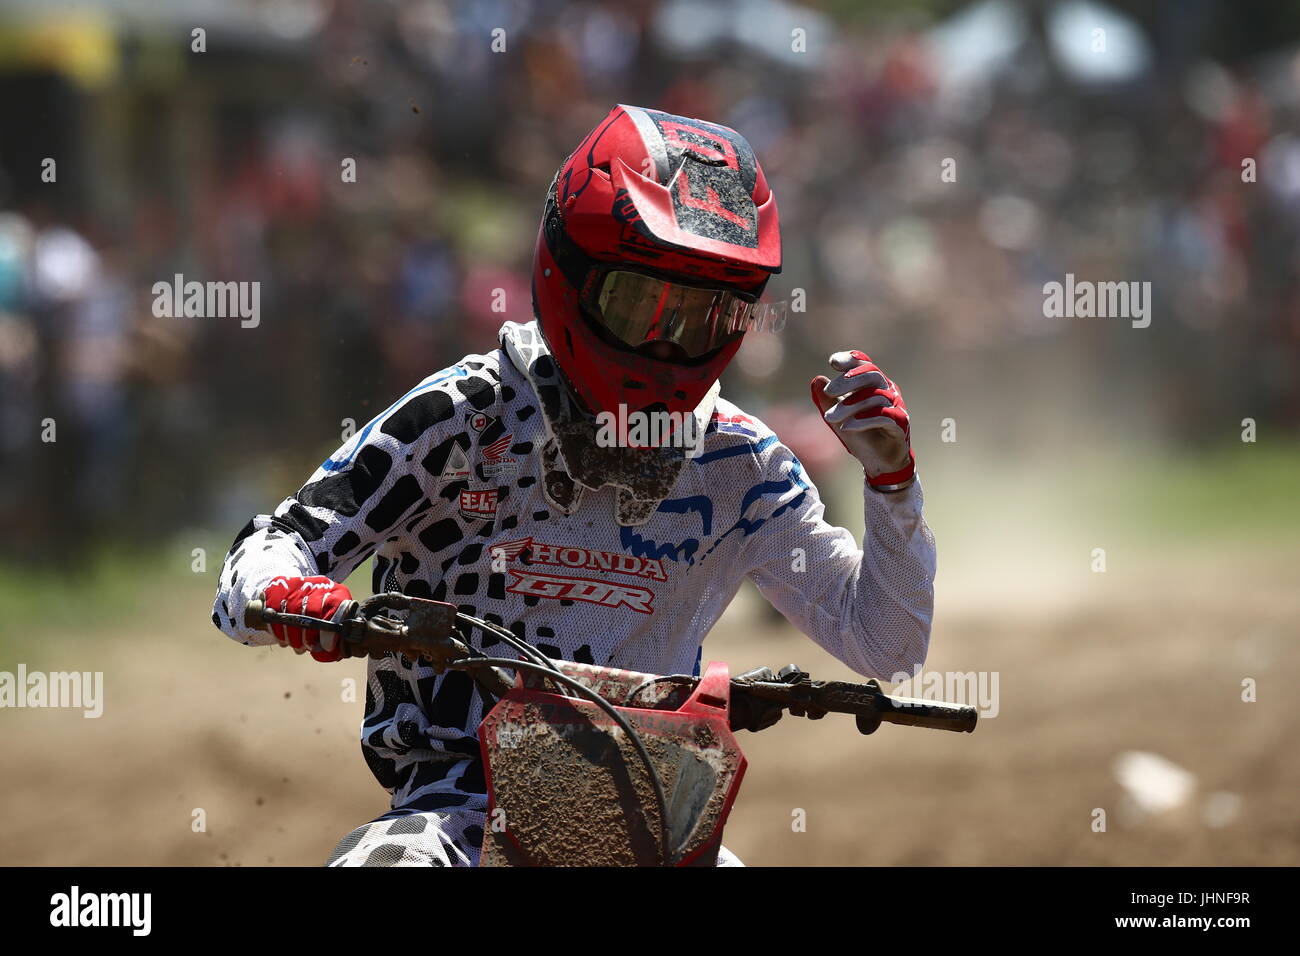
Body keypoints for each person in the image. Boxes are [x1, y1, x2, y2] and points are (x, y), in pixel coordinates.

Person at [211, 105, 935, 866]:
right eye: (641, 304)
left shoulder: (741, 467)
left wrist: (892, 486)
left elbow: (887, 645)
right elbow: (267, 553)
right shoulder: (458, 421)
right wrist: (299, 599)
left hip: (654, 824)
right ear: (571, 269)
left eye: (703, 314)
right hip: (461, 818)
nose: (669, 342)